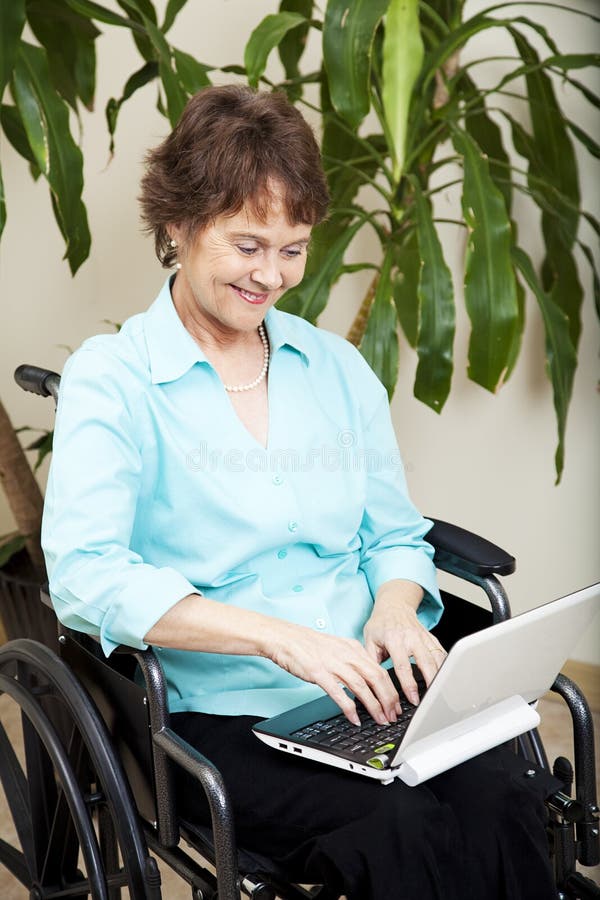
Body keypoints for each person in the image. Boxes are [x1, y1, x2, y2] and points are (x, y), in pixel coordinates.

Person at [42, 85, 559, 900]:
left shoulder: (335, 368)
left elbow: (394, 533)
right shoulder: (115, 380)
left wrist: (393, 608)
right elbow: (85, 574)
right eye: (248, 245)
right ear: (176, 226)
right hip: (223, 713)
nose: (271, 277)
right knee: (402, 830)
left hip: (372, 690)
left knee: (503, 798)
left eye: (292, 249)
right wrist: (279, 640)